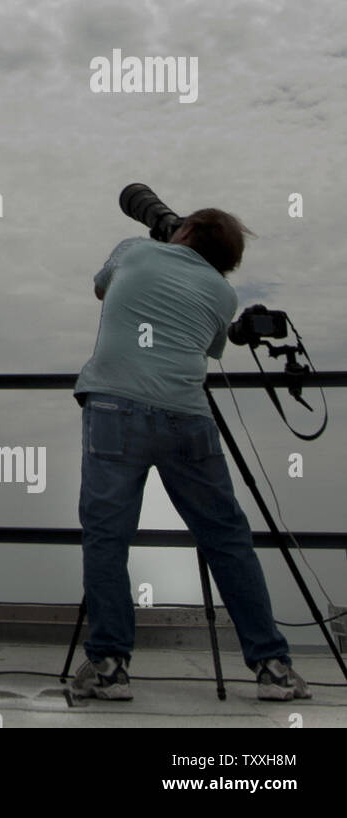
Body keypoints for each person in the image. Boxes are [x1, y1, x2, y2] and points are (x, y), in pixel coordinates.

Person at [72, 209, 309, 701]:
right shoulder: (223, 293)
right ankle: (273, 666)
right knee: (226, 538)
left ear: (185, 230)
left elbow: (101, 288)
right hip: (189, 419)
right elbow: (214, 347)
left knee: (108, 538)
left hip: (115, 408)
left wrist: (156, 239)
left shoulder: (133, 250)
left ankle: (110, 665)